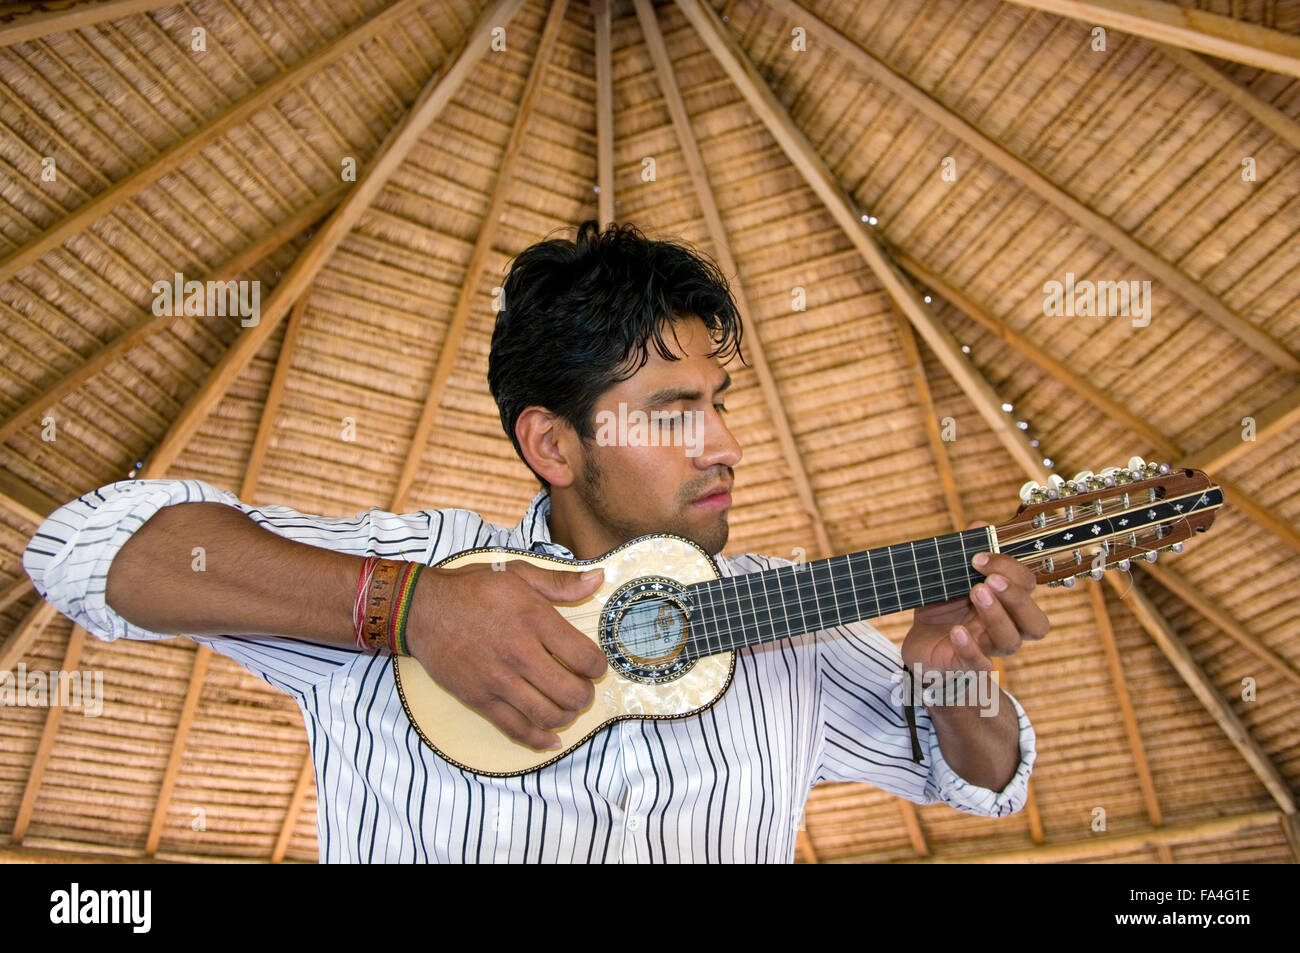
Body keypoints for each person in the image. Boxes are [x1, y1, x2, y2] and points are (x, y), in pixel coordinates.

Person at [22, 220, 1046, 863]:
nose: (726, 443)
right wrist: (409, 609)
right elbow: (86, 548)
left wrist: (955, 676)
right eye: (673, 409)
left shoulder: (784, 609)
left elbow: (981, 780)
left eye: (720, 404)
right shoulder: (429, 559)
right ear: (552, 441)